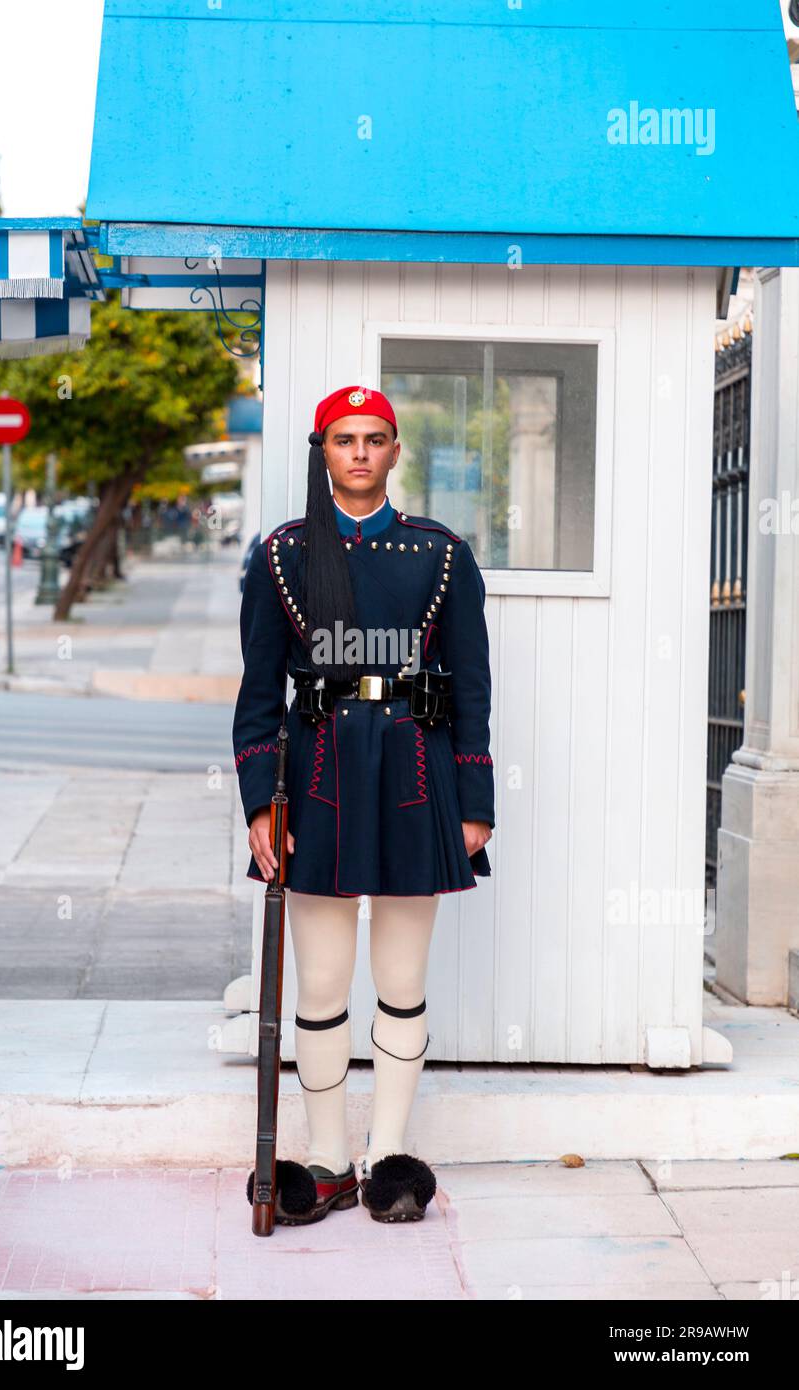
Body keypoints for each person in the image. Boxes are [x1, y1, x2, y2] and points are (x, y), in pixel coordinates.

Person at [238, 385, 494, 1224]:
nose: (358, 452)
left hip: (417, 775)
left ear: (393, 452)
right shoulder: (280, 556)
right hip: (313, 777)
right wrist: (257, 803)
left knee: (402, 977)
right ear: (324, 450)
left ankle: (387, 1158)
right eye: (343, 438)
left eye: (374, 439)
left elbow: (471, 691)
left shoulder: (443, 555)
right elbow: (257, 696)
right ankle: (323, 1157)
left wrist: (475, 798)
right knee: (318, 982)